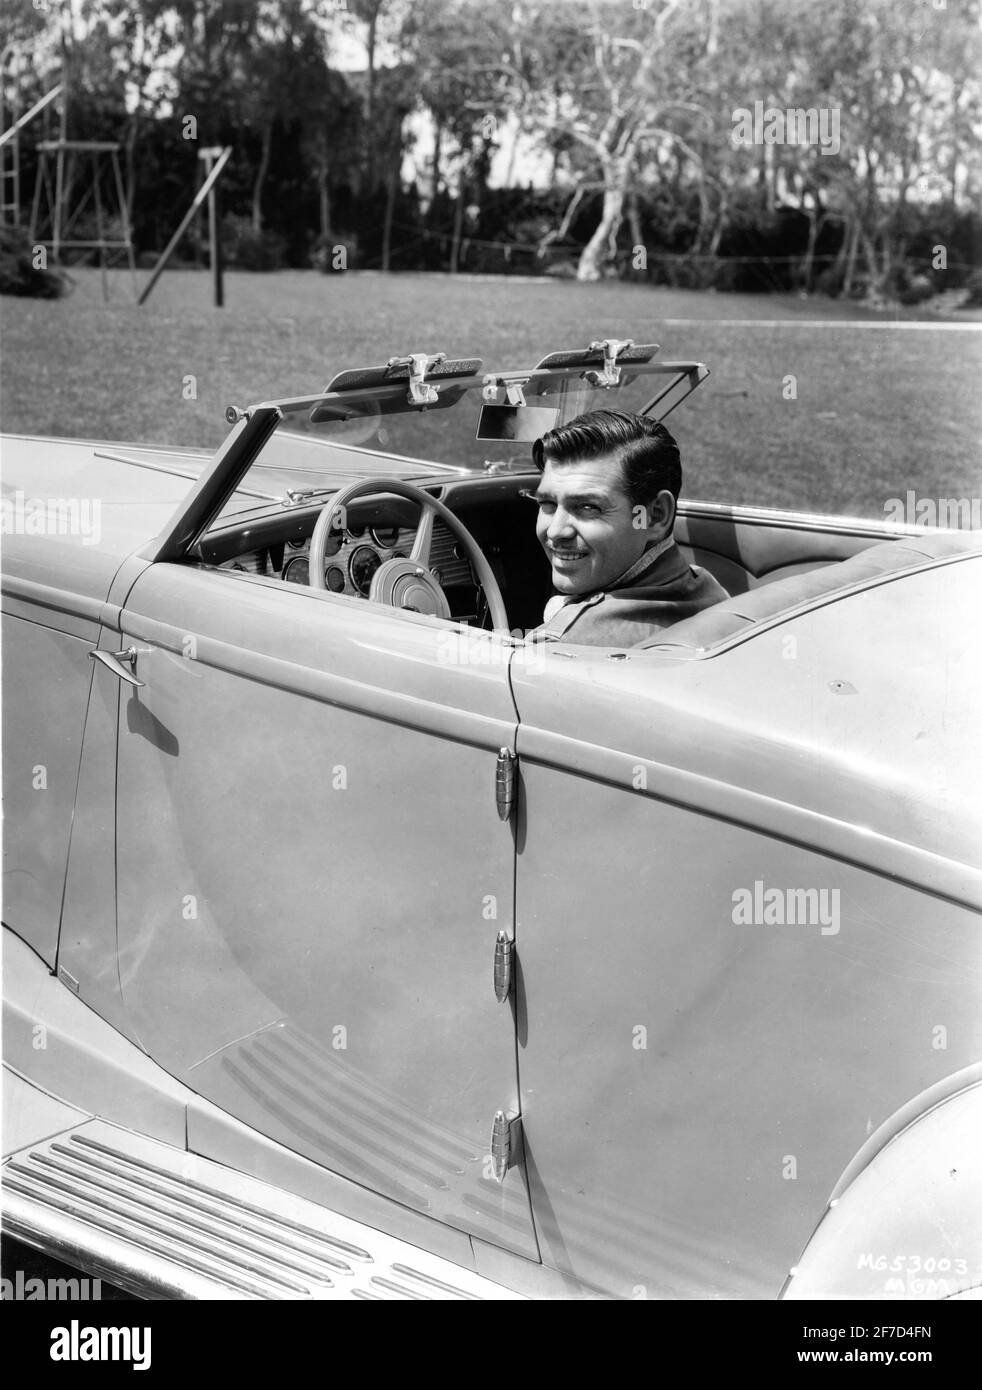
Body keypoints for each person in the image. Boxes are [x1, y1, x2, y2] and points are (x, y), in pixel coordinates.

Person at [526, 408, 728, 647]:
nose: (555, 531)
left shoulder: (563, 646)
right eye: (547, 503)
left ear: (654, 516)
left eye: (588, 507)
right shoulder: (711, 589)